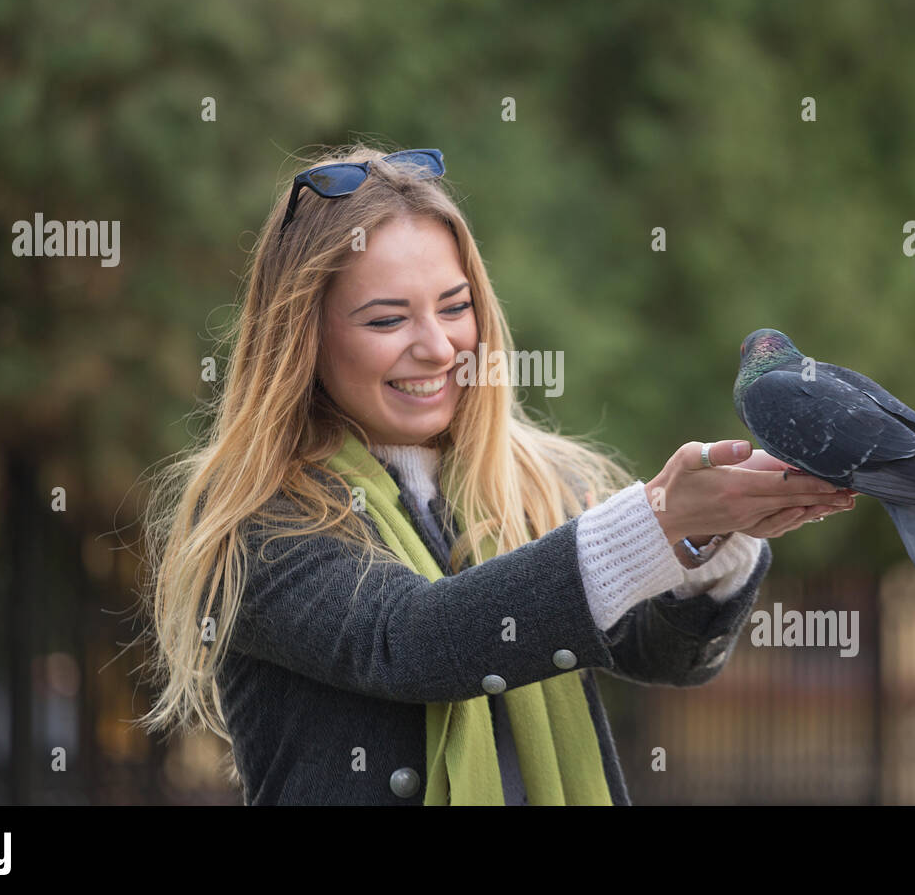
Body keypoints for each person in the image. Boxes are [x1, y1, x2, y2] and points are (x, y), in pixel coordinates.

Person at [137, 143, 856, 805]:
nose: (438, 346)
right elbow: (412, 641)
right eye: (387, 321)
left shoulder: (539, 481)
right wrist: (660, 518)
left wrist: (709, 541)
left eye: (456, 308)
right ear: (303, 337)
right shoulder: (258, 517)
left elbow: (668, 657)